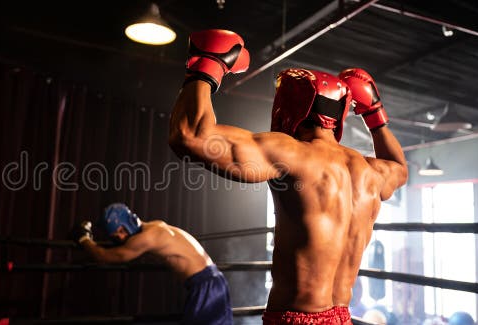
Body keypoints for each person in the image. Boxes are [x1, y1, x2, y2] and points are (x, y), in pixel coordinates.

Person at [168, 29, 408, 324]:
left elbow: (189, 135)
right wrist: (375, 117)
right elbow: (400, 168)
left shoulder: (291, 153)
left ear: (290, 105)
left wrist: (207, 66)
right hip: (343, 317)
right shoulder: (372, 172)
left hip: (294, 319)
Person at [71, 203, 233, 325]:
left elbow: (104, 256)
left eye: (119, 232)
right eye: (115, 236)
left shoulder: (146, 238)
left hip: (206, 286)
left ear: (127, 225)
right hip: (213, 282)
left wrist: (84, 239)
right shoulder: (154, 226)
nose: (119, 238)